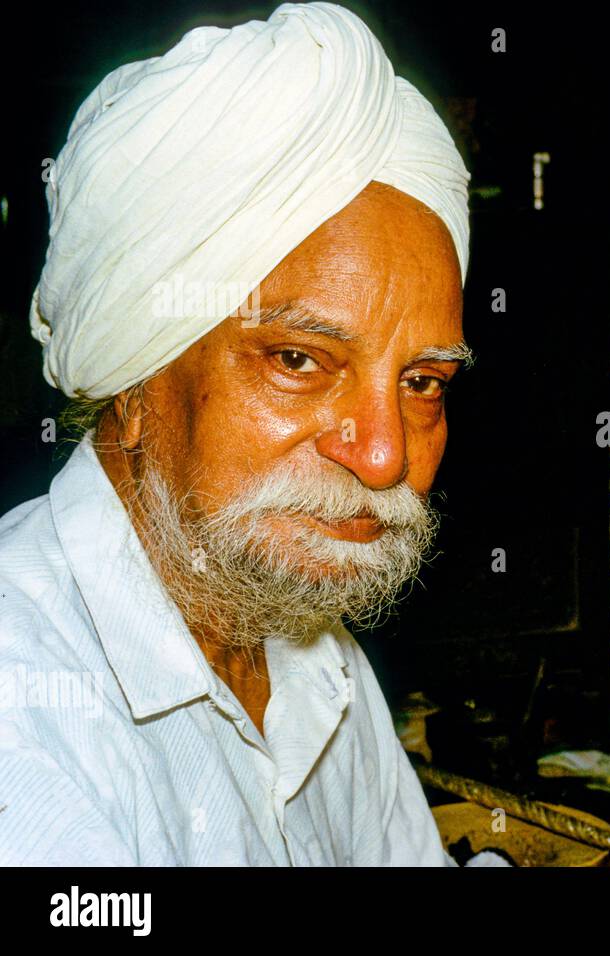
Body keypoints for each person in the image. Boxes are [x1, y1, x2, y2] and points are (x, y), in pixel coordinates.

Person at [0, 2, 500, 865]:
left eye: (421, 383)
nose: (385, 455)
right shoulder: (26, 724)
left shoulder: (309, 647)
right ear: (136, 380)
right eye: (300, 362)